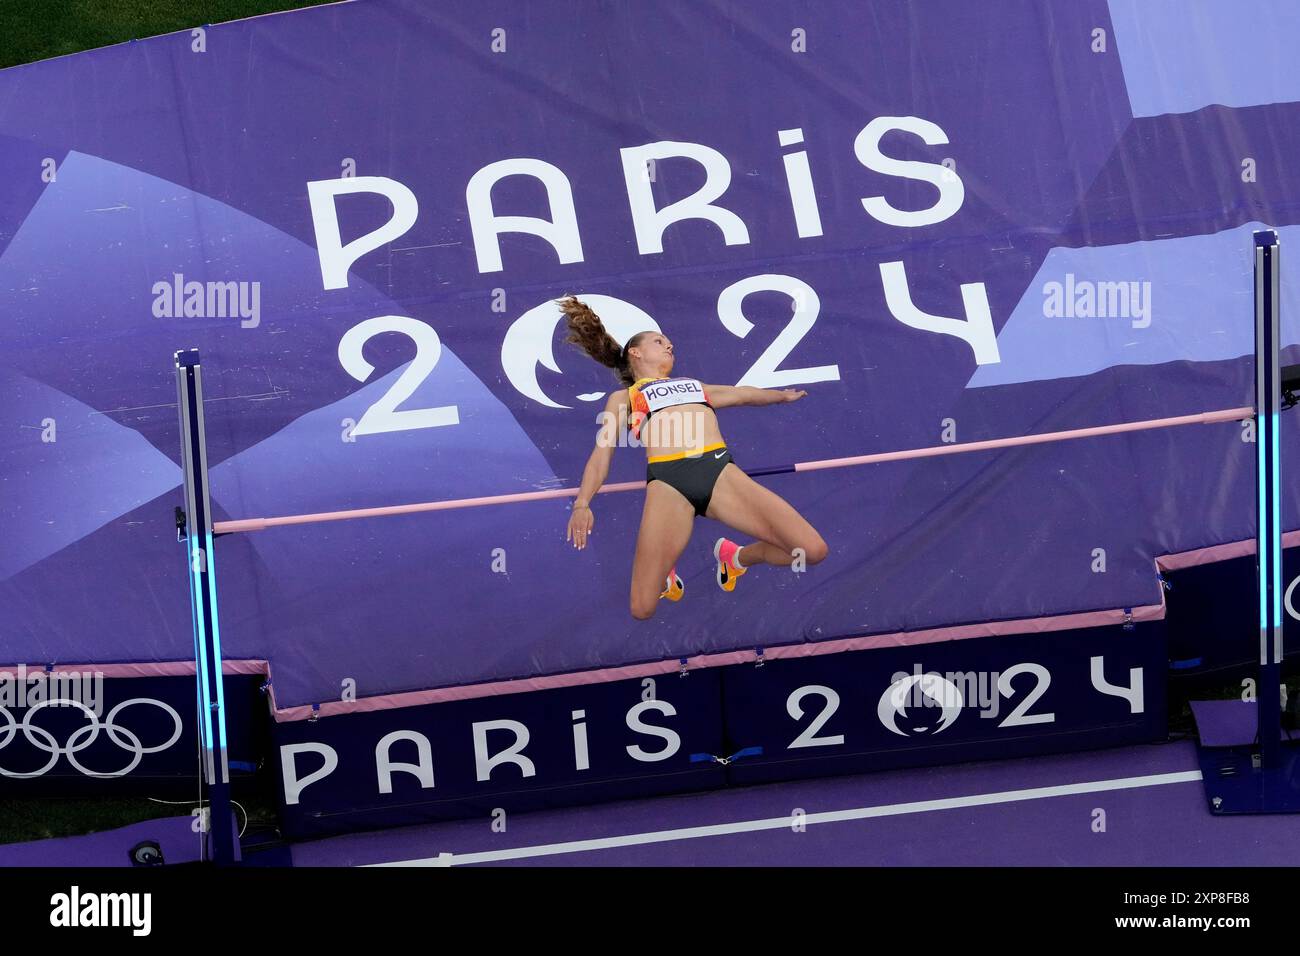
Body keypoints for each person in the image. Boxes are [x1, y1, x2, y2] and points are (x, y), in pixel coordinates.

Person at [558, 295, 829, 620]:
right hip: (668, 485)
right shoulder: (624, 398)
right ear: (636, 352)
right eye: (660, 342)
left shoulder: (693, 386)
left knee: (811, 551)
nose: (669, 347)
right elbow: (601, 455)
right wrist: (582, 503)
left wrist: (781, 396)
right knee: (642, 608)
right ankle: (664, 575)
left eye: (670, 343)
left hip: (719, 473)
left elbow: (742, 394)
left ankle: (736, 558)